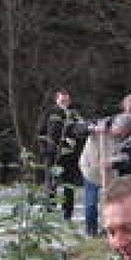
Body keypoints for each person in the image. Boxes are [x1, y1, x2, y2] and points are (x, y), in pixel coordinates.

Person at [78, 99, 131, 236]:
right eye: (117, 130)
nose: (117, 134)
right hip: (90, 168)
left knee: (110, 202)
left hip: (109, 174)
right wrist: (93, 128)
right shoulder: (102, 124)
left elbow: (126, 158)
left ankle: (108, 229)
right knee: (91, 203)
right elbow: (78, 128)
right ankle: (90, 231)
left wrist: (112, 162)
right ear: (114, 124)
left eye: (121, 133)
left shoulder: (128, 139)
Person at [34, 89, 83, 221]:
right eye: (62, 100)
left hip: (70, 156)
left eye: (67, 100)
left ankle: (67, 213)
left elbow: (81, 133)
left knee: (69, 185)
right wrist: (45, 150)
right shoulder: (49, 113)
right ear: (56, 100)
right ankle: (49, 210)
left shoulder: (74, 115)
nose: (64, 102)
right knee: (51, 183)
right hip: (52, 154)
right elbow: (40, 132)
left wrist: (77, 149)